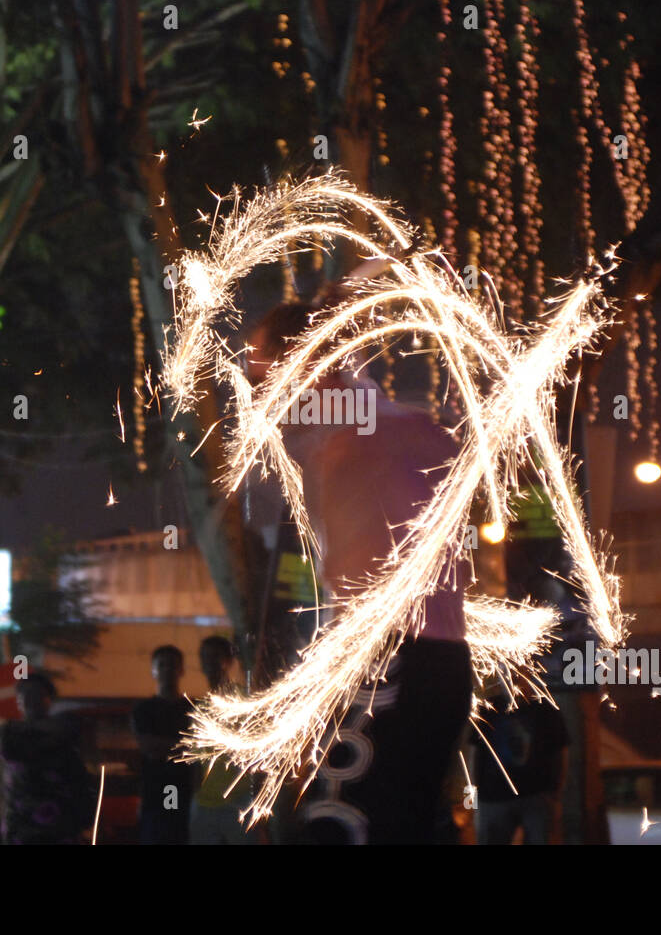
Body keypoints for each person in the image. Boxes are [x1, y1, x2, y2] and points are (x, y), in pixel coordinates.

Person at [243, 287, 473, 844]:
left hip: (385, 658)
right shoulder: (414, 426)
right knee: (401, 824)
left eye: (261, 363)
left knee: (341, 825)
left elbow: (304, 408)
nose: (254, 383)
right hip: (443, 661)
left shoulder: (336, 431)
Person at [0, 673, 92, 844]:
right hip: (23, 828)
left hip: (59, 828)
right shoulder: (11, 735)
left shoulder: (65, 732)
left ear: (49, 699)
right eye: (25, 695)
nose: (30, 701)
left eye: (36, 695)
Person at [470, 696, 570, 844]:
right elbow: (474, 756)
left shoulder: (546, 709)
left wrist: (556, 794)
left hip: (534, 796)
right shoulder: (486, 709)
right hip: (495, 797)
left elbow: (560, 752)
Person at [188, 636, 256, 844]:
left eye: (214, 657)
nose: (208, 662)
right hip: (205, 801)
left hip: (237, 799)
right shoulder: (201, 706)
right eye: (204, 657)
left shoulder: (241, 702)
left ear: (227, 660)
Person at [131, 645, 193, 844]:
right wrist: (183, 746)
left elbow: (198, 748)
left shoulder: (192, 708)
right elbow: (148, 747)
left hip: (185, 789)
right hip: (158, 789)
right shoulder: (143, 709)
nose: (167, 670)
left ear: (181, 670)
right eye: (162, 665)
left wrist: (163, 746)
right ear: (153, 670)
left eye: (173, 665)